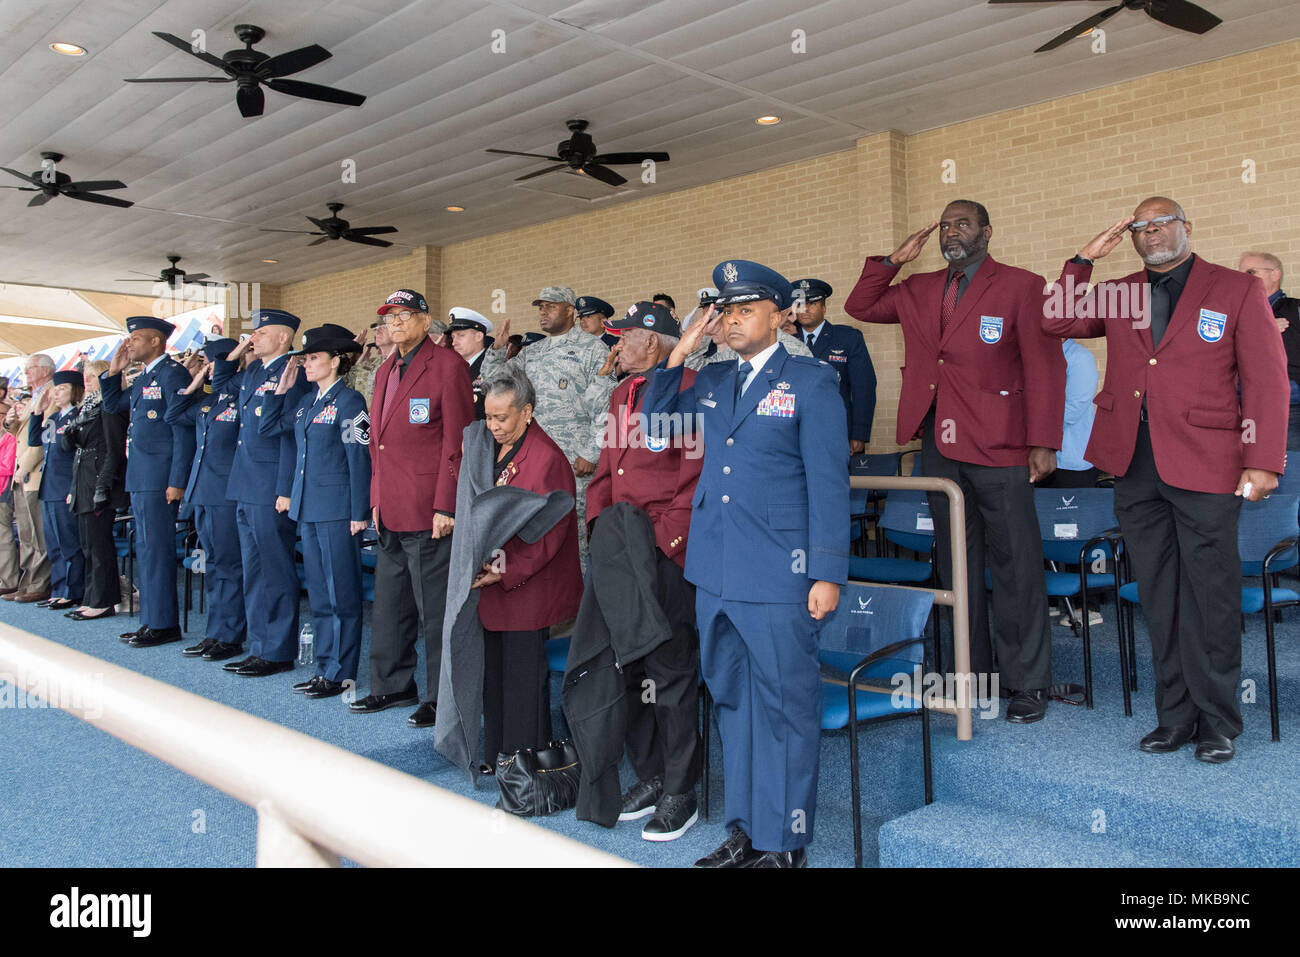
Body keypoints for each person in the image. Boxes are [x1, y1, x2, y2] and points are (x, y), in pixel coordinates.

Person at [1048, 198, 1288, 763]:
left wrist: (1264, 460)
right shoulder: (1123, 289)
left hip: (1207, 463)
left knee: (1210, 596)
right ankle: (1175, 716)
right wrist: (1084, 259)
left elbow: (1266, 379)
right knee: (1158, 594)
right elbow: (1055, 319)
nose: (1151, 232)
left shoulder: (1234, 288)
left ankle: (1218, 722)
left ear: (1186, 227)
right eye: (1140, 227)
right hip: (1135, 464)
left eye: (1162, 222)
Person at [644, 260, 849, 868]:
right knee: (733, 701)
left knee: (785, 707)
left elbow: (830, 482)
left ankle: (784, 843)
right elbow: (655, 434)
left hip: (782, 575)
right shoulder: (709, 382)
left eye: (746, 309)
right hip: (716, 572)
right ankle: (745, 831)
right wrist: (678, 354)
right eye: (726, 311)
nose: (733, 320)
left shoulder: (809, 381)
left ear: (780, 316)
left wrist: (828, 571)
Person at [844, 199, 1067, 723]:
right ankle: (972, 676)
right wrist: (893, 260)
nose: (951, 231)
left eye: (962, 223)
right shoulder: (919, 288)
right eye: (945, 224)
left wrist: (1044, 440)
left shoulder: (1021, 285)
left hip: (1002, 446)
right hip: (939, 447)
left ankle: (1026, 684)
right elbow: (861, 304)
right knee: (956, 567)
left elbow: (1044, 366)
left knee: (1015, 567)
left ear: (987, 231)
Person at [581, 301, 704, 841]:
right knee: (628, 666)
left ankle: (682, 789)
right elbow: (609, 469)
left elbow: (693, 476)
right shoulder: (621, 393)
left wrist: (667, 541)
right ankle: (650, 774)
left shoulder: (690, 387)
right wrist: (598, 527)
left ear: (651, 342)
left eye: (623, 338)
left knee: (671, 671)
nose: (617, 346)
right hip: (620, 548)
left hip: (664, 550)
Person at [349, 289, 474, 726]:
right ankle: (392, 686)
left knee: (435, 611)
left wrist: (447, 503)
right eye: (389, 317)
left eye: (405, 315)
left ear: (425, 320)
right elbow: (377, 445)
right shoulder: (385, 370)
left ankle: (442, 699)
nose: (395, 323)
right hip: (391, 508)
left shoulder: (448, 367)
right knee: (390, 605)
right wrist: (376, 499)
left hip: (429, 509)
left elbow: (458, 443)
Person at [474, 367, 581, 764]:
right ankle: (499, 754)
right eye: (488, 417)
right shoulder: (491, 446)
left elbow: (550, 536)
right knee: (495, 676)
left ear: (527, 412)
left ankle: (525, 763)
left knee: (521, 677)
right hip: (495, 578)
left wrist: (505, 571)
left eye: (501, 418)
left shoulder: (547, 459)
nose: (493, 426)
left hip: (529, 583)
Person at [261, 325, 371, 699]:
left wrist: (360, 511)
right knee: (320, 594)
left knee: (341, 593)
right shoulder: (308, 402)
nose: (306, 364)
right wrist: (280, 391)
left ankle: (341, 672)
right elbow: (270, 426)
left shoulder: (350, 402)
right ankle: (325, 665)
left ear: (337, 360)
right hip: (308, 508)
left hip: (339, 511)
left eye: (314, 358)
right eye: (305, 358)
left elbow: (358, 458)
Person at [481, 286, 619, 571]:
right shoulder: (533, 352)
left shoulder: (593, 348)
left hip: (574, 461)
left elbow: (605, 405)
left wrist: (592, 453)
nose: (543, 312)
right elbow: (493, 384)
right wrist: (496, 351)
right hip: (534, 460)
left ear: (570, 310)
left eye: (551, 306)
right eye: (540, 307)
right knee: (533, 529)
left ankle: (578, 608)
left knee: (575, 534)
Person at [210, 310, 310, 676]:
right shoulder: (253, 371)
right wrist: (235, 353)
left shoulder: (294, 375)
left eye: (262, 332)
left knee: (275, 569)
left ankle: (278, 650)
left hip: (270, 487)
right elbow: (221, 383)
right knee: (253, 571)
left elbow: (291, 437)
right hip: (245, 482)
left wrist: (285, 488)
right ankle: (259, 645)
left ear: (284, 338)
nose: (254, 337)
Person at [101, 319, 196, 647]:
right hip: (141, 475)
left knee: (157, 549)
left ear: (156, 342)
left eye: (136, 339)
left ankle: (163, 624)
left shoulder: (172, 374)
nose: (130, 344)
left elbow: (182, 430)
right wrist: (114, 370)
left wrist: (177, 479)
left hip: (161, 478)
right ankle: (151, 621)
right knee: (146, 549)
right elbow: (113, 406)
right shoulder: (145, 376)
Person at [171, 339, 247, 661]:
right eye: (208, 362)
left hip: (226, 494)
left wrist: (227, 371)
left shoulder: (240, 396)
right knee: (213, 566)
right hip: (202, 492)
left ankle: (230, 635)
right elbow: (173, 415)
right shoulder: (209, 402)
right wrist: (194, 381)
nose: (211, 367)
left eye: (217, 362)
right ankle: (216, 632)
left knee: (229, 566)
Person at [60, 360, 127, 620]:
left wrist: (103, 485)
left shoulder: (108, 407)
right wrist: (71, 432)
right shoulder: (85, 408)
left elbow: (114, 449)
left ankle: (103, 600)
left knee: (99, 545)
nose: (87, 381)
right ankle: (91, 596)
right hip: (82, 478)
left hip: (99, 480)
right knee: (87, 543)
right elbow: (71, 447)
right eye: (85, 376)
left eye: (93, 376)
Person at [790, 278, 878, 453]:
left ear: (824, 307)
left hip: (835, 428)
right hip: (792, 432)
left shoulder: (847, 338)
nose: (805, 309)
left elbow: (864, 387)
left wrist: (859, 433)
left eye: (812, 303)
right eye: (799, 304)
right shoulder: (785, 341)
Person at [29, 371, 84, 612]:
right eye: (55, 389)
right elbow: (34, 441)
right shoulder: (54, 418)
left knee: (69, 543)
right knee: (54, 544)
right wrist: (37, 412)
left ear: (74, 391)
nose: (56, 393)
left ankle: (73, 591)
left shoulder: (78, 416)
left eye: (62, 388)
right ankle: (59, 589)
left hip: (66, 487)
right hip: (49, 487)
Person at [1238, 252, 1300, 450]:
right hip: (1243, 410)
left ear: (1275, 274)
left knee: (1288, 473)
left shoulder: (1295, 309)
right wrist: (1259, 330)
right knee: (1249, 472)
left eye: (1251, 272)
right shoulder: (1234, 314)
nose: (1243, 278)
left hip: (1289, 410)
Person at [6, 355, 54, 604]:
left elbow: (44, 439)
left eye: (30, 368)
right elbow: (23, 434)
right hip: (22, 473)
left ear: (45, 370)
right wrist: (10, 423)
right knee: (25, 533)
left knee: (39, 534)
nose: (25, 373)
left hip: (34, 473)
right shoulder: (33, 395)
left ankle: (40, 583)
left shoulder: (52, 394)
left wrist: (23, 467)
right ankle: (27, 582)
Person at [1038, 339, 1100, 488]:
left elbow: (1072, 409)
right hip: (1036, 458)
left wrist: (1035, 432)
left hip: (1069, 460)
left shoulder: (1079, 357)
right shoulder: (1037, 354)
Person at [446, 307, 495, 419]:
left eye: (461, 336)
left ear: (478, 336)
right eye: (453, 337)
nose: (454, 343)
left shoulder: (492, 368)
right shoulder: (453, 369)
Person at [348, 317, 396, 406]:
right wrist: (350, 351)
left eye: (384, 327)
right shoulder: (368, 365)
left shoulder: (402, 361)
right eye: (375, 329)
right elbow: (343, 380)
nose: (377, 332)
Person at [0, 401, 20, 597]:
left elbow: (8, 466)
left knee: (4, 537)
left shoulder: (10, 437)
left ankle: (8, 580)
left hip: (4, 490)